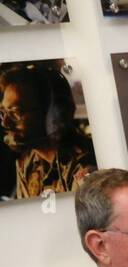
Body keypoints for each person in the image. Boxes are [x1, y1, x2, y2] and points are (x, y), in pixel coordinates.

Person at [0, 61, 94, 200]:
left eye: (16, 113)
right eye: (3, 112)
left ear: (54, 115)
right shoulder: (27, 163)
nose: (5, 123)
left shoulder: (84, 168)